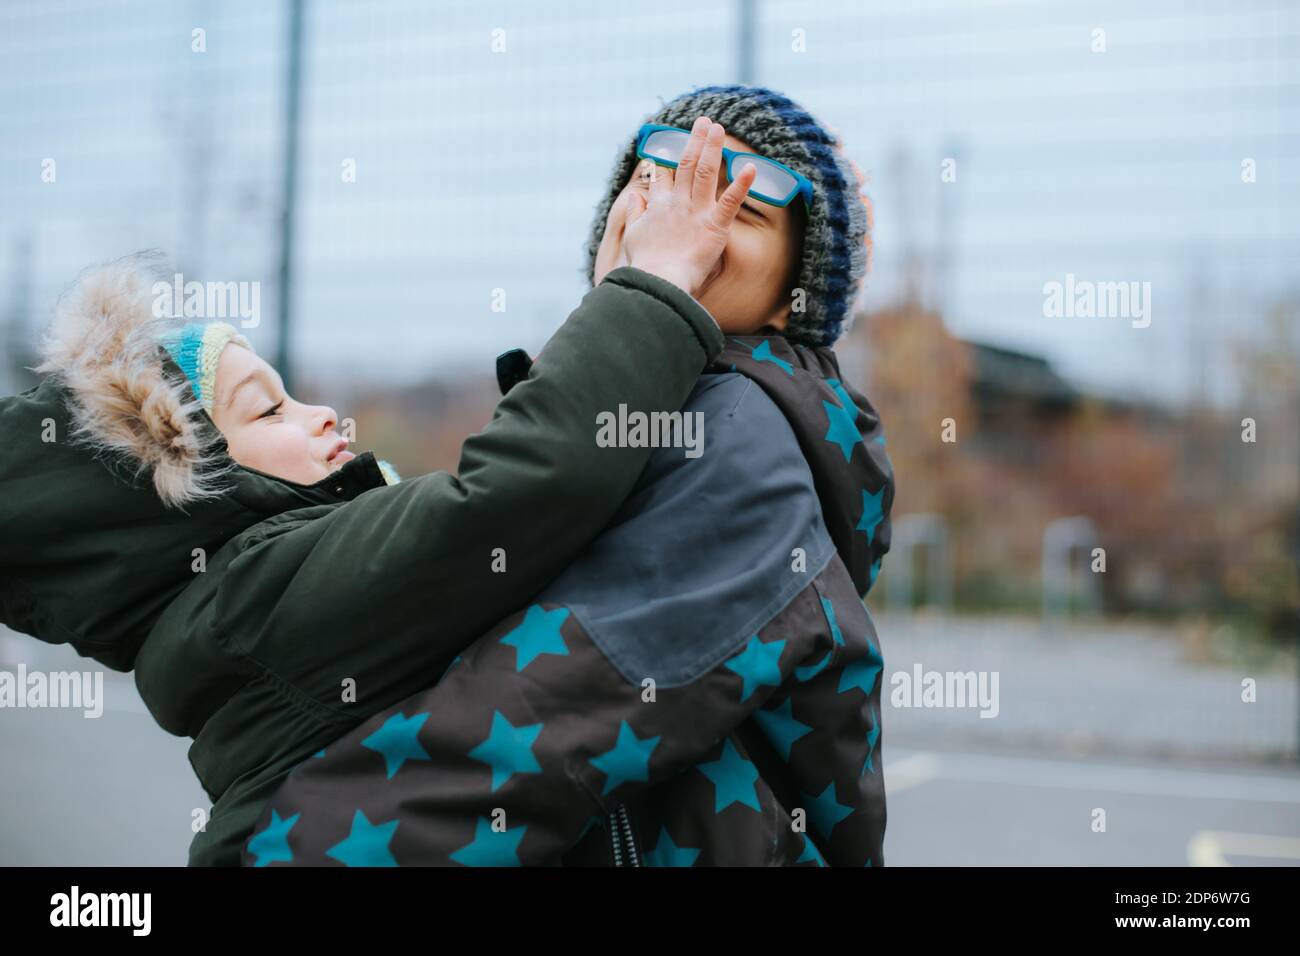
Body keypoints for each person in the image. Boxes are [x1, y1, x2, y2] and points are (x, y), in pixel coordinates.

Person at [0, 117, 757, 866]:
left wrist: (618, 304)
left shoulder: (235, 599)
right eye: (269, 408)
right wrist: (650, 288)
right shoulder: (251, 600)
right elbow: (509, 500)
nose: (322, 412)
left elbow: (535, 548)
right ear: (192, 486)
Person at [243, 85, 895, 867]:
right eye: (655, 180)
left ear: (795, 301)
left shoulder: (737, 431)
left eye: (741, 209)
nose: (680, 215)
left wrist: (306, 847)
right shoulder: (643, 417)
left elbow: (549, 715)